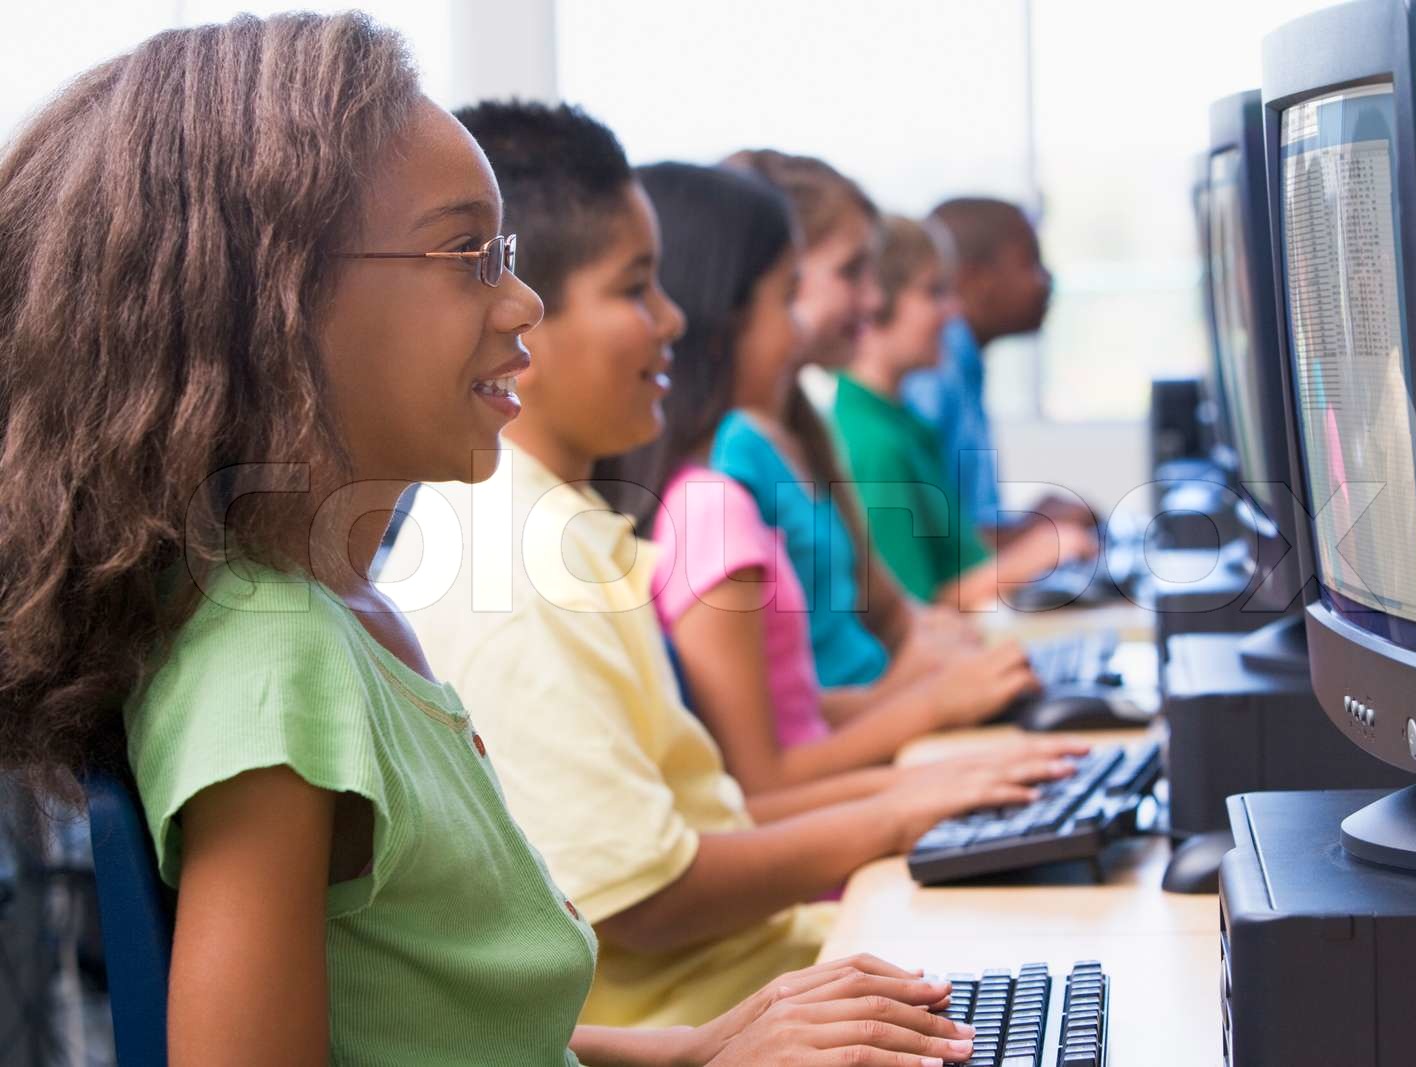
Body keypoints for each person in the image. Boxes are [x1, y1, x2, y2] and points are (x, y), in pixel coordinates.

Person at [0, 21, 992, 1065]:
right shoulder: (270, 666)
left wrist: (697, 1050)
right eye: (469, 254)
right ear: (272, 299)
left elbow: (464, 1034)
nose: (521, 299)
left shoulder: (340, 616)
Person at [390, 105, 1077, 1031]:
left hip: (769, 974)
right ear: (525, 318)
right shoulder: (521, 570)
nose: (674, 317)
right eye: (637, 290)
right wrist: (904, 804)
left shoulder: (570, 524)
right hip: (717, 1012)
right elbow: (645, 893)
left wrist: (924, 787)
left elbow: (704, 811)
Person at [596, 164, 1071, 798]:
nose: (872, 301)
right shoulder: (718, 492)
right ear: (729, 312)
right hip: (847, 785)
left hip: (864, 754)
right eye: (790, 292)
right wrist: (929, 714)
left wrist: (940, 696)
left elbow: (809, 705)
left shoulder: (788, 440)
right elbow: (762, 778)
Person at [716, 151, 1031, 721]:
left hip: (881, 719)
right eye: (851, 272)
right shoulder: (732, 457)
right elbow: (777, 734)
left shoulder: (803, 428)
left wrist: (947, 655)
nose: (872, 298)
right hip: (870, 732)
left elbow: (896, 612)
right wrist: (924, 695)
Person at [836, 216, 1068, 605]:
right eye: (934, 293)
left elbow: (957, 563)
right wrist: (1029, 558)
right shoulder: (870, 445)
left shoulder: (905, 425)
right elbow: (915, 611)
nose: (953, 311)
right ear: (875, 303)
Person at [901, 197, 1097, 550]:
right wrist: (1031, 534)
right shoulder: (931, 373)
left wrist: (1023, 525)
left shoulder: (965, 363)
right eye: (1031, 262)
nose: (1046, 281)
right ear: (975, 280)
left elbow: (964, 520)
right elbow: (931, 545)